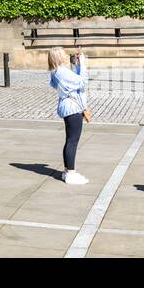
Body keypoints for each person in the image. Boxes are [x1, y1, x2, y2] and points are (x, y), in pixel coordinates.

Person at [48, 47, 89, 185]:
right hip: (72, 108)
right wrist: (82, 65)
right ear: (58, 57)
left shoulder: (57, 72)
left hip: (68, 106)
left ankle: (67, 171)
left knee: (70, 140)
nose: (66, 55)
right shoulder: (62, 72)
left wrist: (77, 66)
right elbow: (82, 82)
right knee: (72, 141)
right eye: (63, 54)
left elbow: (75, 82)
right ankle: (71, 173)